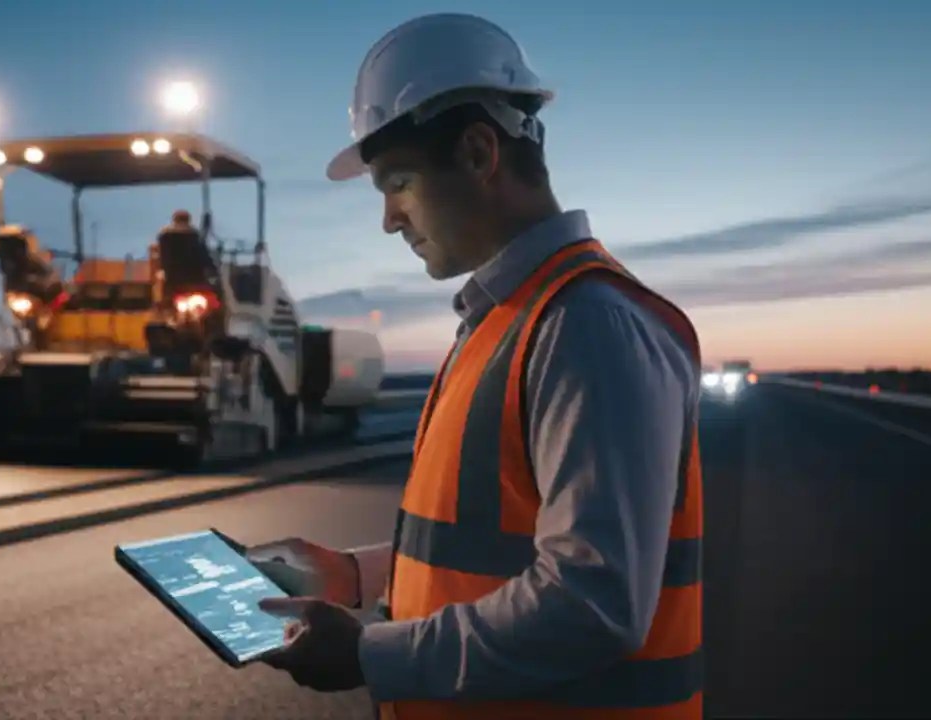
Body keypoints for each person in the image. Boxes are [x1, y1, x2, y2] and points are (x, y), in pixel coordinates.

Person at [248, 12, 704, 719]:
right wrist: (353, 574)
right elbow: (497, 551)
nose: (390, 219)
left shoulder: (587, 326)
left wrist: (371, 655)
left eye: (399, 182)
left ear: (478, 152)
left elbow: (593, 604)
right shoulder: (510, 320)